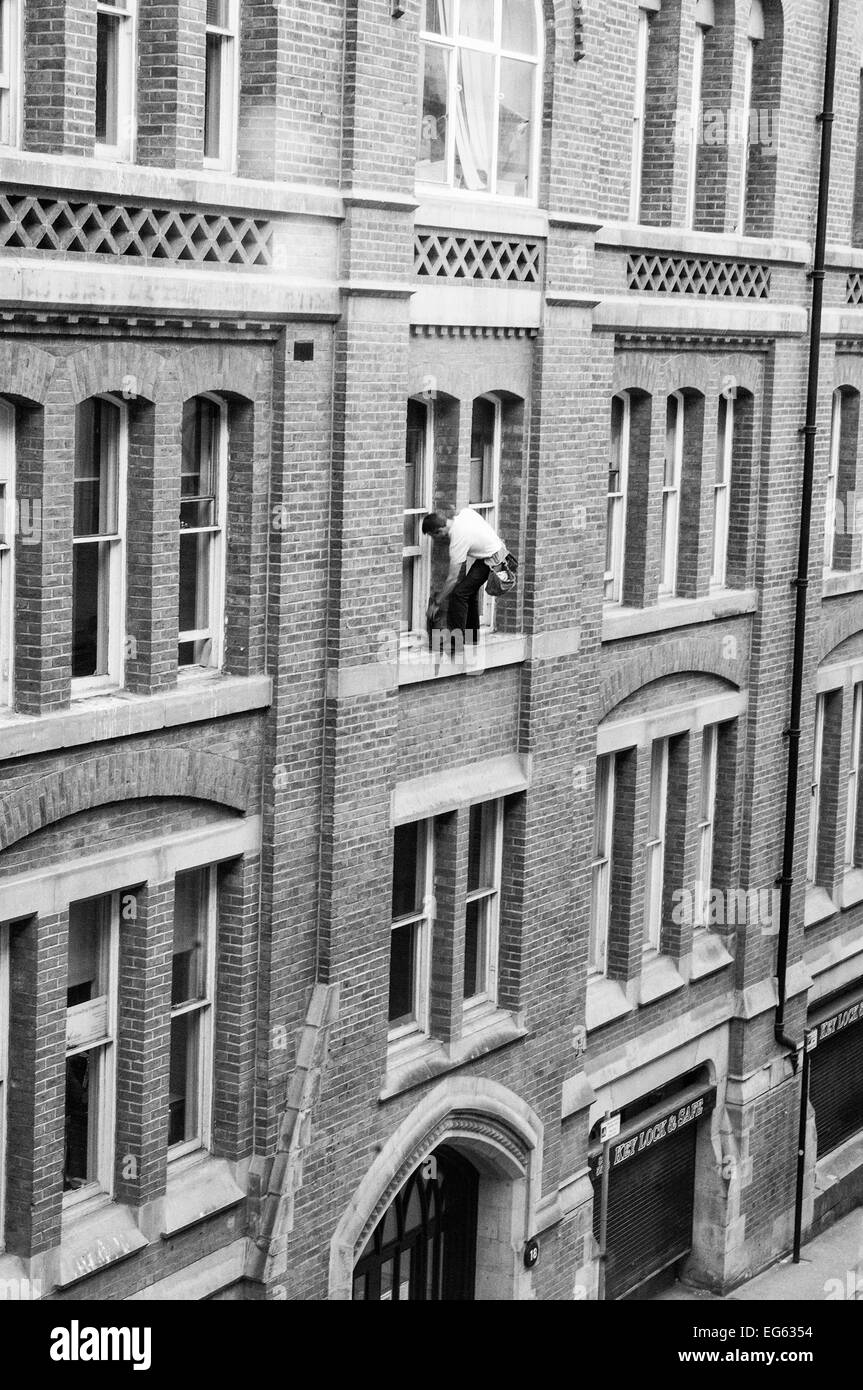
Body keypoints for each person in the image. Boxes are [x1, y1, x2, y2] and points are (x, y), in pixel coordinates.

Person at [422, 507, 508, 647]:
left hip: (494, 559)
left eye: (433, 536)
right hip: (495, 552)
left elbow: (452, 579)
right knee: (469, 592)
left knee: (459, 594)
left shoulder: (458, 540)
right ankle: (472, 637)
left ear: (440, 530)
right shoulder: (465, 513)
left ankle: (456, 642)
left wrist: (437, 603)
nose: (435, 539)